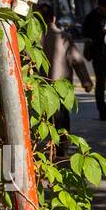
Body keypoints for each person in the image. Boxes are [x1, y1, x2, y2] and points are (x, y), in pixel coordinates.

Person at [37, 9, 93, 154]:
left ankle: (44, 146)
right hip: (62, 87)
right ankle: (61, 146)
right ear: (53, 18)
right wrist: (86, 81)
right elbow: (77, 60)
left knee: (42, 118)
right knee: (62, 117)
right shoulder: (64, 36)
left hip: (40, 87)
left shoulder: (34, 37)